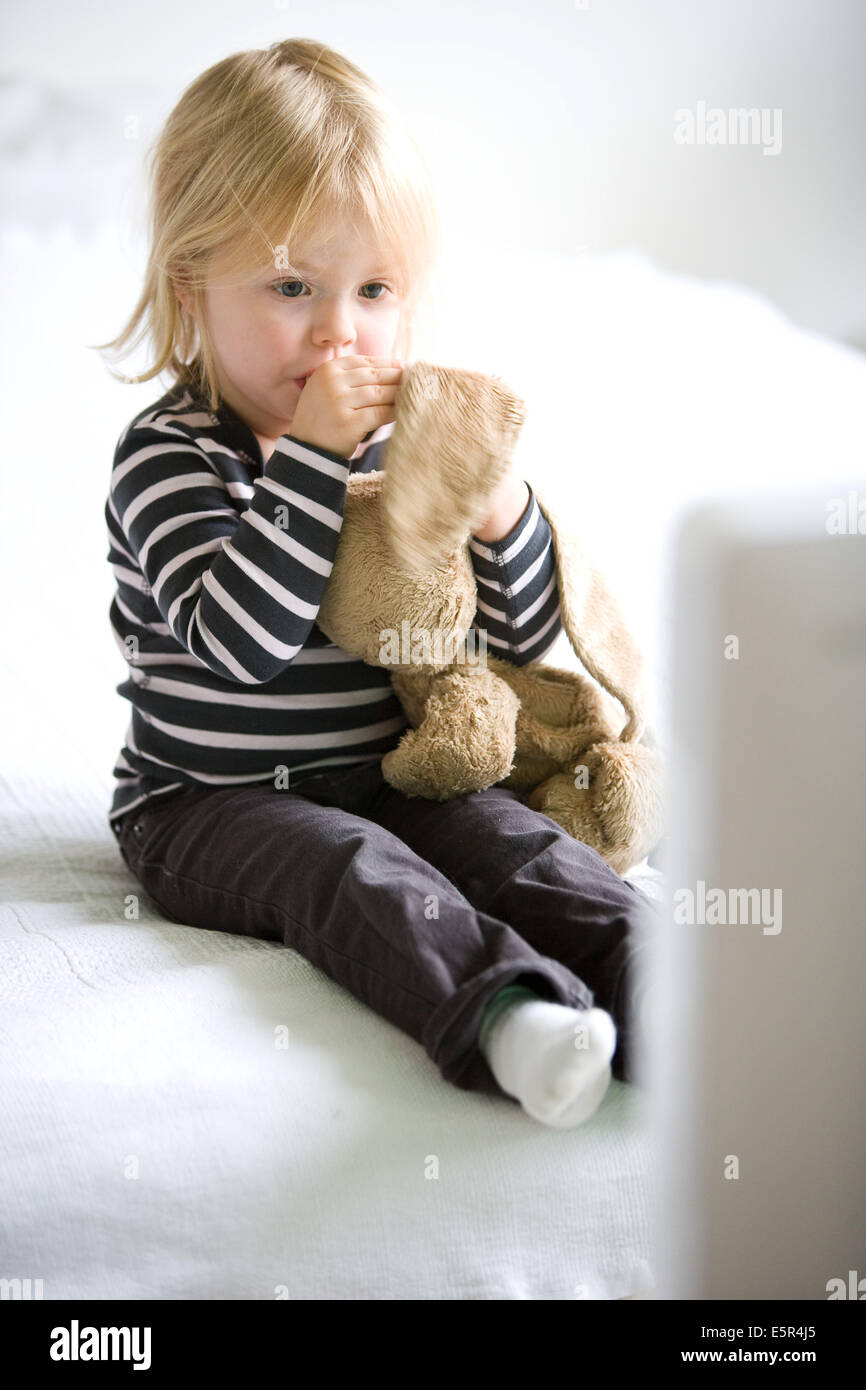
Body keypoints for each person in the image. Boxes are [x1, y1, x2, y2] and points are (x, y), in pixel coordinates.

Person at [95, 37, 660, 1130]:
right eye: (290, 285)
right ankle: (507, 1018)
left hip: (388, 769)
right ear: (190, 288)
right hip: (209, 804)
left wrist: (496, 514)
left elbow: (513, 635)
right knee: (347, 866)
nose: (336, 329)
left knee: (506, 839)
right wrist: (306, 459)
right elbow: (239, 642)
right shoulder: (168, 457)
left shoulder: (387, 457)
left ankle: (674, 988)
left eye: (373, 289)